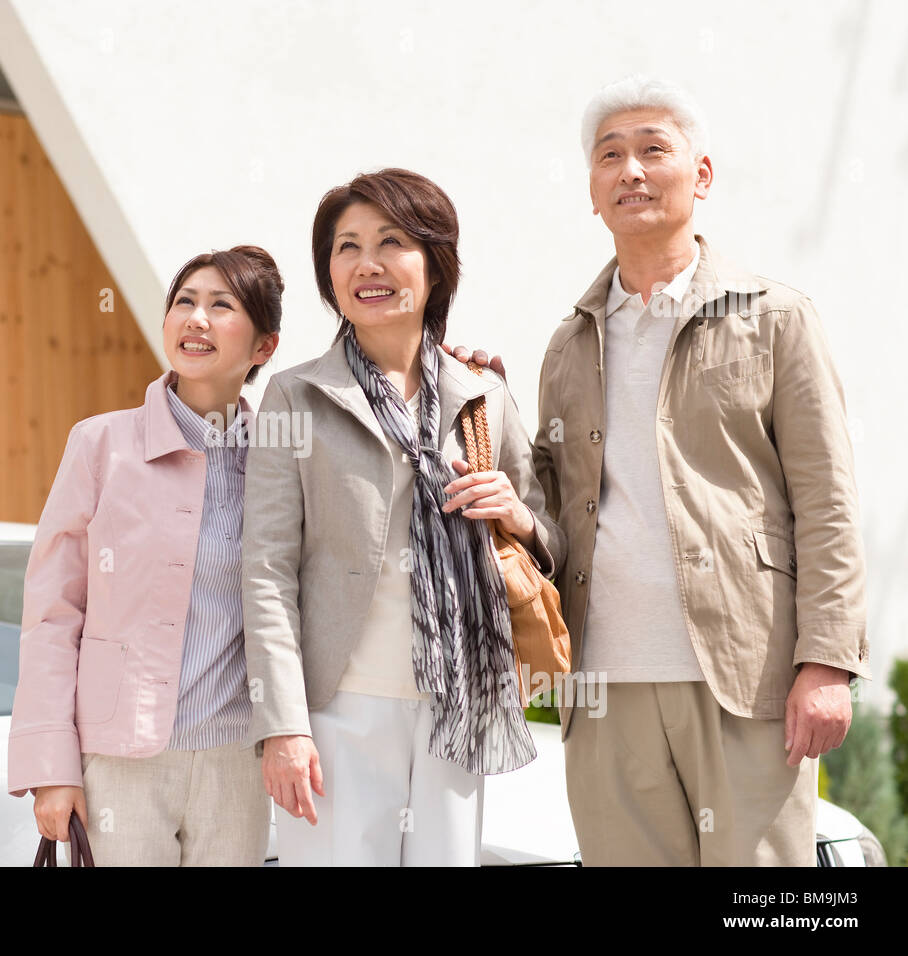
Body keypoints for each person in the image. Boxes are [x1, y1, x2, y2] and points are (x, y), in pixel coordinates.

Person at [460, 75, 869, 865]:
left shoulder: (775, 317)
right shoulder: (569, 343)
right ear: (592, 192)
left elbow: (828, 502)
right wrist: (489, 401)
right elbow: (549, 515)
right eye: (610, 156)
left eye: (654, 150)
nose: (631, 171)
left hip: (745, 679)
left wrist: (826, 663)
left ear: (702, 176)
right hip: (602, 687)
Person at [242, 168, 565, 866]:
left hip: (459, 701)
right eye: (346, 247)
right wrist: (283, 727)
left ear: (434, 264)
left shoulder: (481, 395)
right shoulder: (297, 397)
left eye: (391, 241)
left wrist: (517, 513)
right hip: (337, 708)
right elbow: (266, 572)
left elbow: (552, 539)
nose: (367, 264)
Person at [6, 245, 282, 866]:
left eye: (221, 305)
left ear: (263, 347)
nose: (196, 319)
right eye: (183, 302)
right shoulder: (102, 444)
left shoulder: (279, 461)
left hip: (238, 762)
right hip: (120, 762)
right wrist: (52, 766)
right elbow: (52, 613)